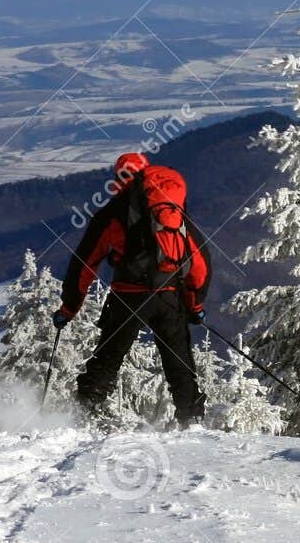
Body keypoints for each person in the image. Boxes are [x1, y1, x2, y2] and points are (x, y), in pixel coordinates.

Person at [54, 152, 211, 425]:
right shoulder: (172, 210)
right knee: (179, 363)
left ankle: (81, 418)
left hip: (128, 296)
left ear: (118, 177)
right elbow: (200, 263)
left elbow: (84, 265)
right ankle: (192, 421)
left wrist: (69, 308)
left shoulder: (111, 214)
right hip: (169, 297)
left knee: (107, 359)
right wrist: (195, 306)